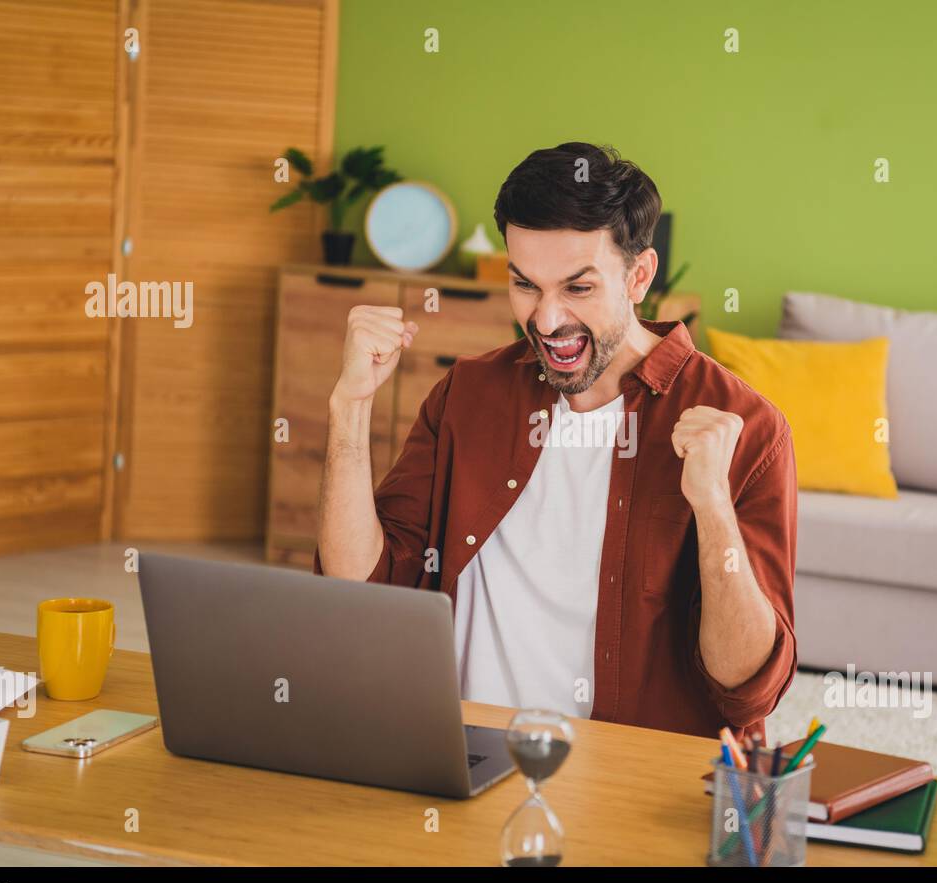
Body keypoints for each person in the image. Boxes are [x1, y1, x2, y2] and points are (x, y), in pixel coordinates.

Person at [315, 142, 797, 740]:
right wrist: (350, 406)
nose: (545, 320)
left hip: (626, 789)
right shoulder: (469, 393)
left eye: (578, 288)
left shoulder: (743, 426)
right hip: (460, 755)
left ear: (639, 276)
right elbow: (362, 588)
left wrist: (713, 508)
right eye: (526, 285)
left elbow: (748, 689)